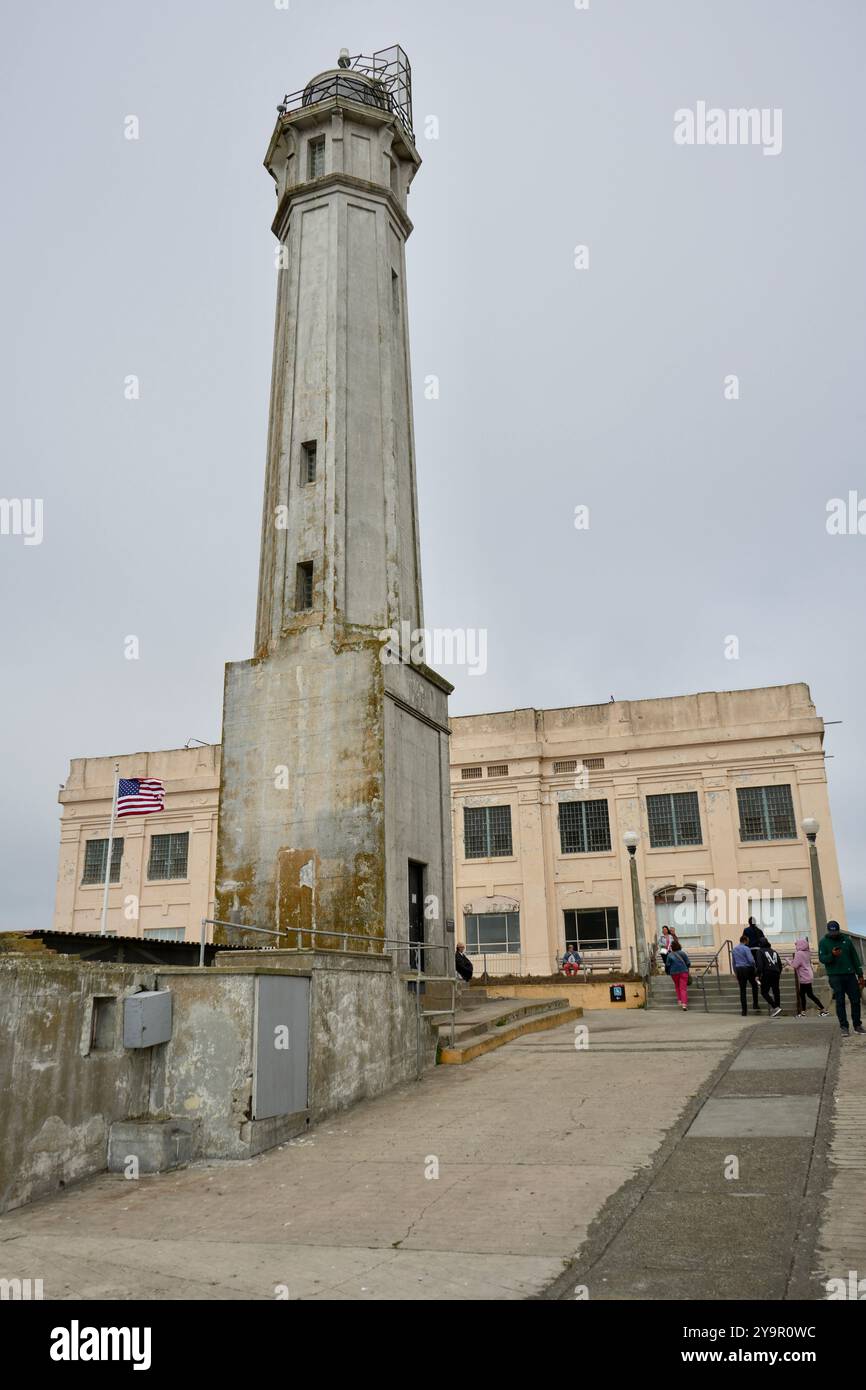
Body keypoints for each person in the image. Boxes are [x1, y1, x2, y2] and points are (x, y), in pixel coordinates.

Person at [818, 920, 865, 1037]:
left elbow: (855, 958)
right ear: (828, 931)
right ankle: (844, 1026)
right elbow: (822, 959)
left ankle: (857, 1025)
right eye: (832, 932)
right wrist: (832, 955)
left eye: (836, 931)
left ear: (838, 930)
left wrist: (860, 975)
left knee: (855, 1000)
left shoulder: (847, 940)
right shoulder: (824, 942)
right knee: (840, 1001)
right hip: (835, 976)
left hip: (849, 975)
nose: (834, 934)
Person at [788, 937, 828, 1018]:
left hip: (804, 977)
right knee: (803, 994)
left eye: (797, 944)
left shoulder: (799, 953)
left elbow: (795, 965)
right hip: (808, 975)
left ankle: (823, 1010)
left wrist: (788, 960)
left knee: (809, 995)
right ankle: (804, 1012)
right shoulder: (807, 952)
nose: (796, 946)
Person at [732, 933, 760, 1016]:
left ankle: (744, 1011)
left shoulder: (734, 949)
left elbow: (733, 963)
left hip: (739, 969)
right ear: (745, 941)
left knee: (742, 990)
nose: (748, 942)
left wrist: (736, 972)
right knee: (754, 985)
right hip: (748, 969)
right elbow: (751, 960)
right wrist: (755, 967)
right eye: (748, 941)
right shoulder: (746, 948)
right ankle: (755, 1004)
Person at [755, 936, 783, 1017]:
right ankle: (778, 1007)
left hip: (767, 973)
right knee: (776, 991)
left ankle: (775, 1007)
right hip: (776, 972)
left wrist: (758, 975)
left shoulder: (759, 952)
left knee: (764, 992)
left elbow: (760, 965)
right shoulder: (774, 951)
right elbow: (780, 964)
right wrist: (778, 972)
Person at [667, 944, 691, 1010]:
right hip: (683, 971)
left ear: (672, 948)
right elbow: (688, 963)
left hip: (674, 973)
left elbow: (667, 964)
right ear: (679, 946)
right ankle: (684, 1004)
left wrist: (668, 972)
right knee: (683, 988)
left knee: (677, 986)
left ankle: (679, 1000)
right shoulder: (682, 953)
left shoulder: (670, 955)